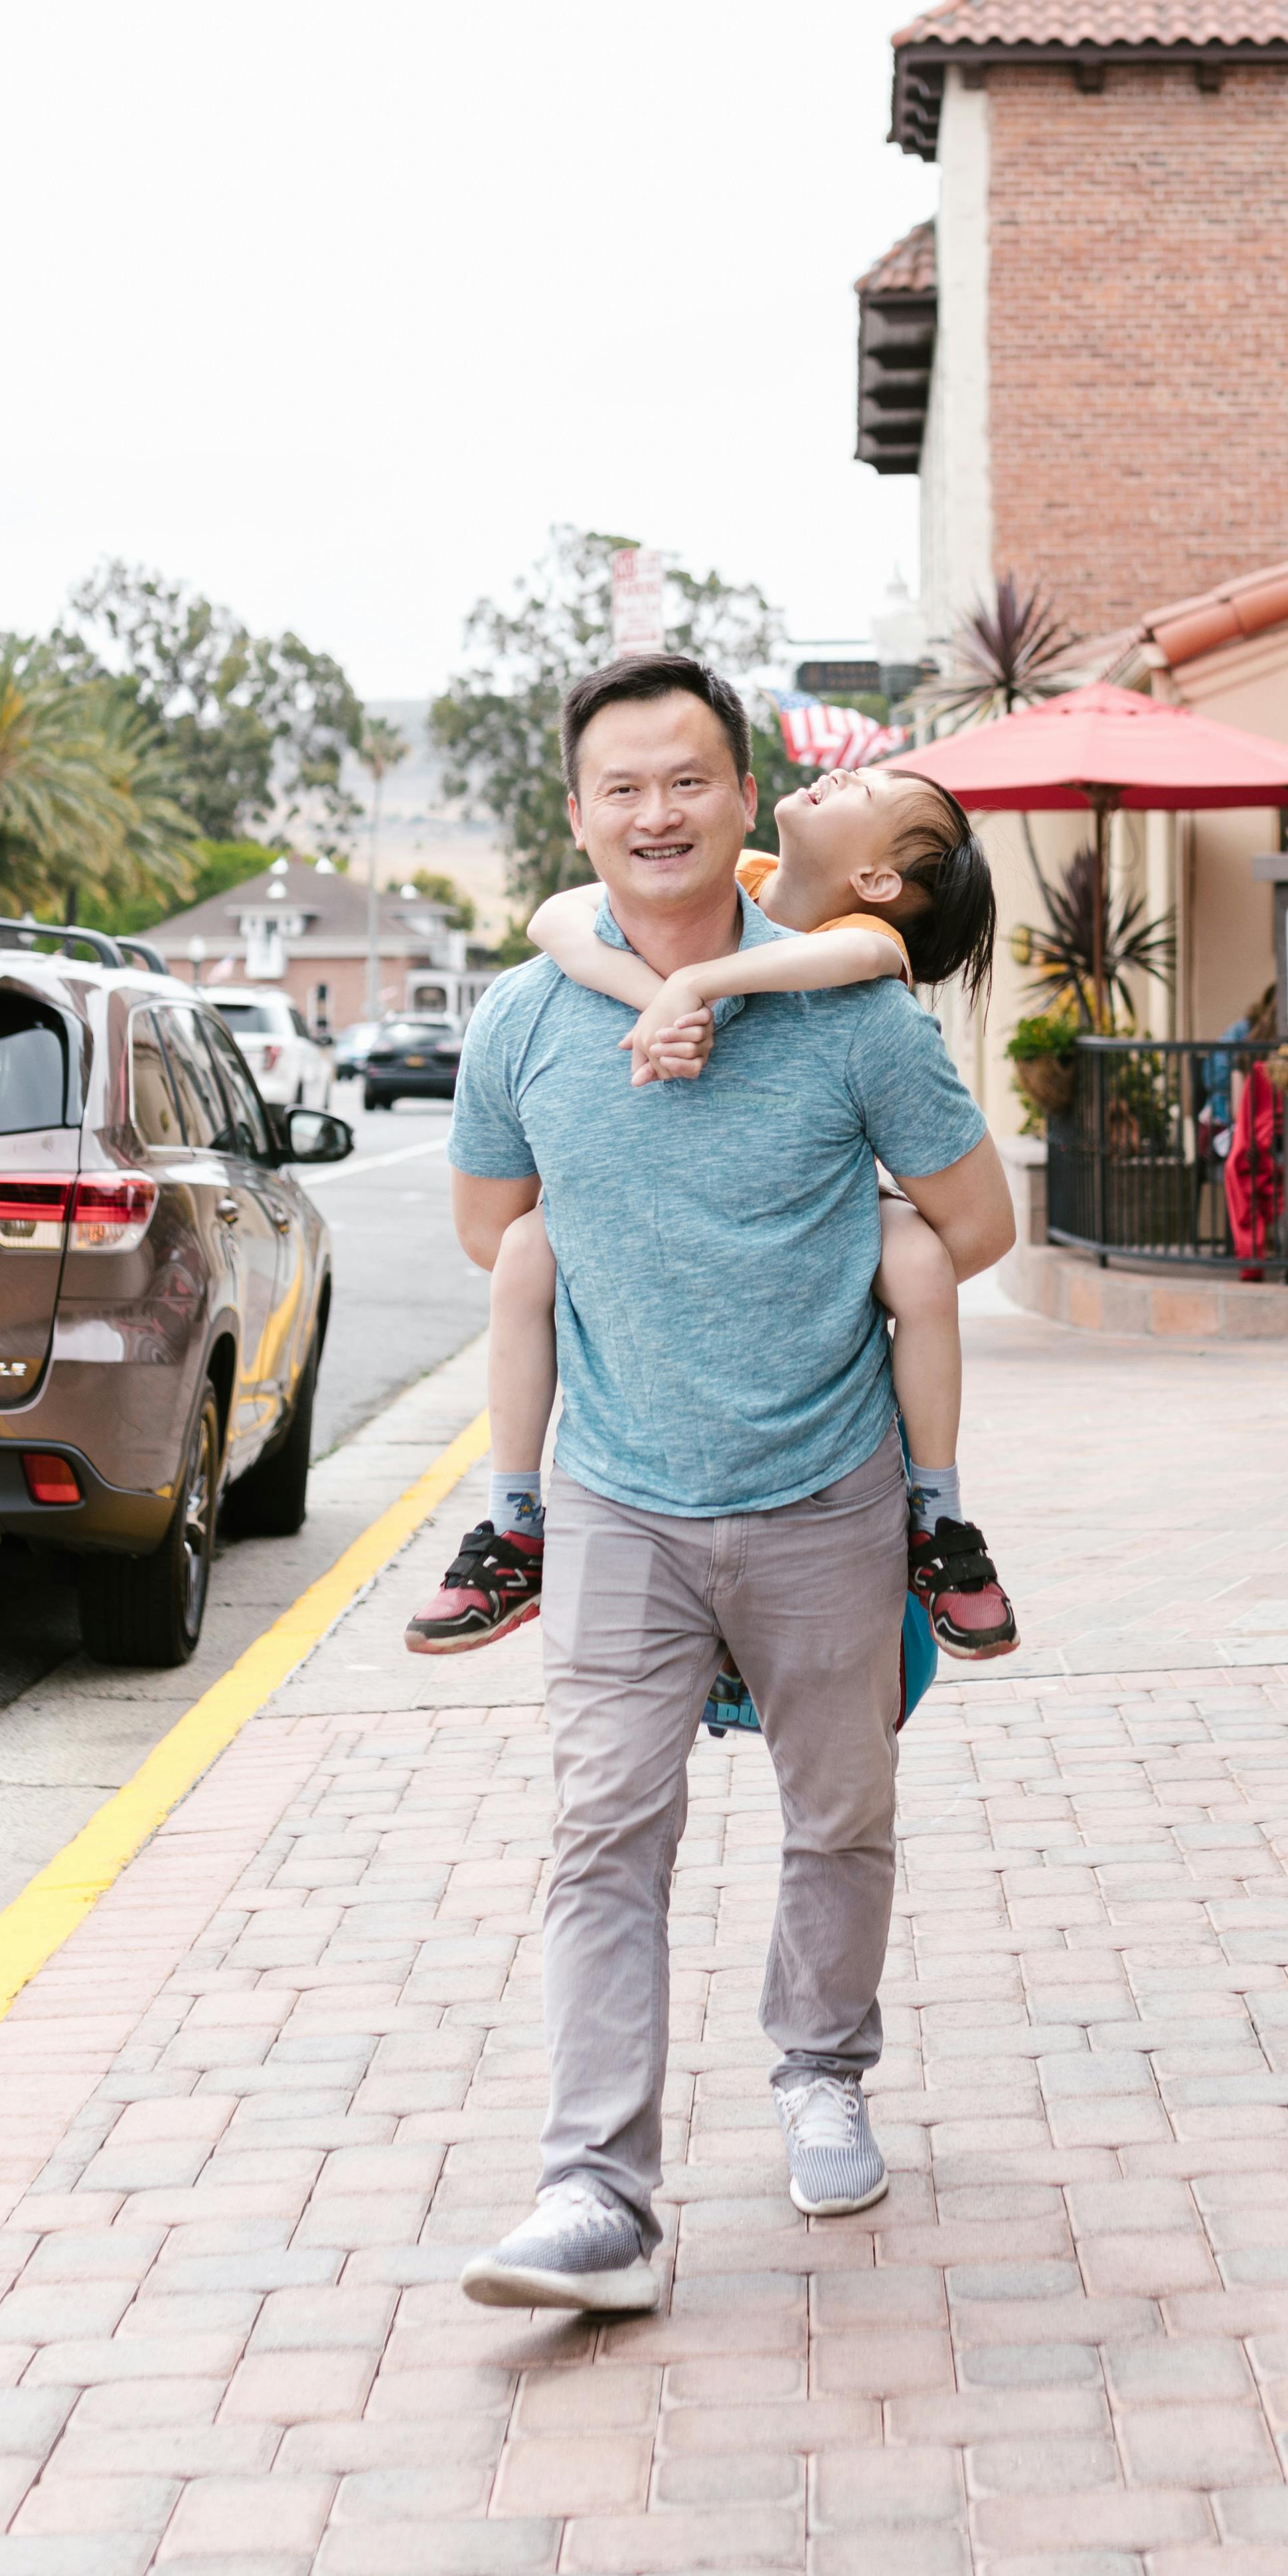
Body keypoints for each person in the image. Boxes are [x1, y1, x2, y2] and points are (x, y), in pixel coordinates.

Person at [446, 651, 1013, 2312]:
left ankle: (821, 2071)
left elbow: (974, 1226)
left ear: (742, 799)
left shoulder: (855, 1013)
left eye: (686, 779)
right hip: (615, 1498)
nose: (655, 812)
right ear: (577, 813)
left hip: (825, 1489)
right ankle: (594, 2194)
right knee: (602, 1834)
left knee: (837, 1815)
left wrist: (851, 1253)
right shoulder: (526, 1014)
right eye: (620, 787)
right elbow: (493, 1234)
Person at [406, 758, 1016, 1663]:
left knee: (917, 1256)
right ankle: (514, 1520)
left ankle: (938, 1517)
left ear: (877, 881)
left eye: (866, 789)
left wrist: (693, 988)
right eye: (621, 790)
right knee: (528, 1243)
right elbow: (554, 918)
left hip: (817, 1443)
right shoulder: (747, 877)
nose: (839, 772)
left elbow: (980, 1226)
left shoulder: (864, 947)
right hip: (623, 1463)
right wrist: (653, 996)